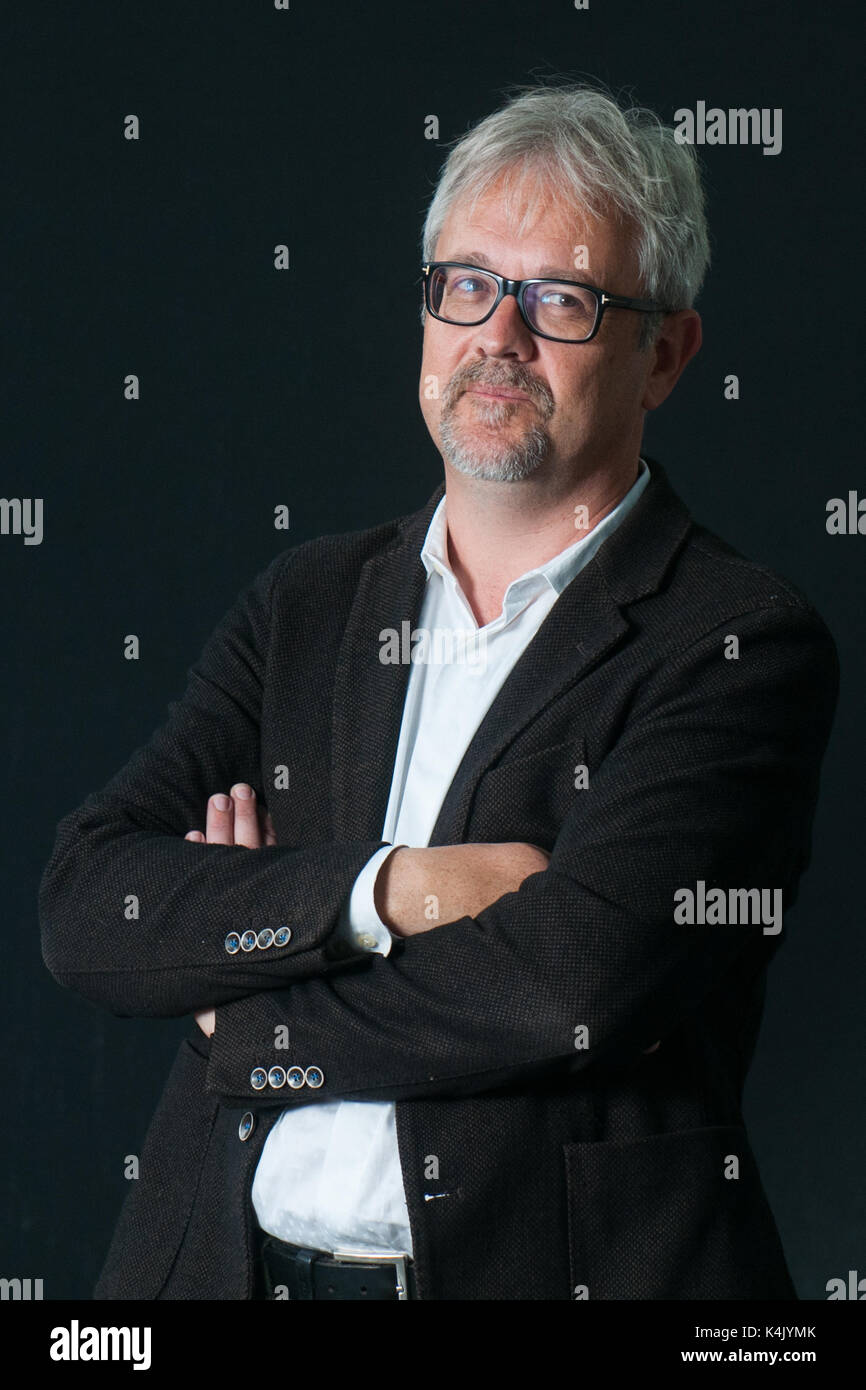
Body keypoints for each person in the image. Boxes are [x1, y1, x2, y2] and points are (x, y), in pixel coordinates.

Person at [39, 80, 839, 1300]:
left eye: (559, 299)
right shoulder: (306, 602)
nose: (497, 339)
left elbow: (565, 980)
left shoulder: (735, 640)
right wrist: (391, 889)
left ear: (664, 353)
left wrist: (243, 1009)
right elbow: (90, 903)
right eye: (466, 284)